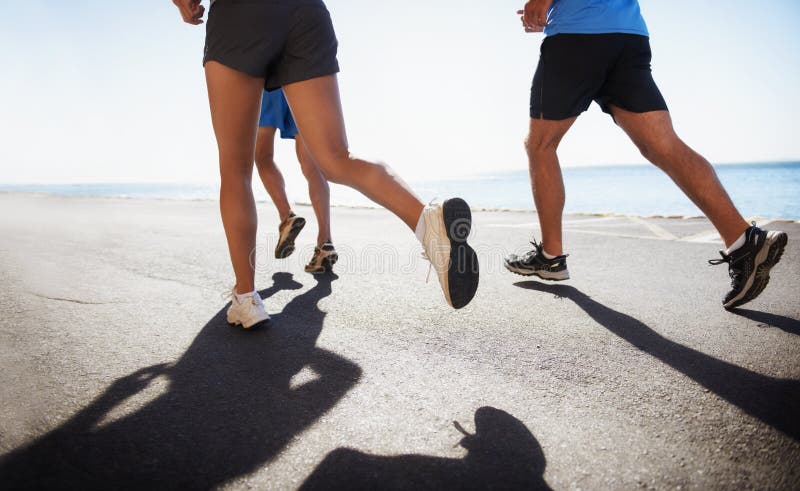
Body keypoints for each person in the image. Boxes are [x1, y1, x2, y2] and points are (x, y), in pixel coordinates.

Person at [172, 0, 479, 328]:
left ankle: (246, 298)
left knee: (235, 169)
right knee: (336, 158)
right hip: (305, 13)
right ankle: (427, 223)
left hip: (241, 15)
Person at [504, 0, 787, 310]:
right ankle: (744, 241)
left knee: (540, 145)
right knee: (663, 145)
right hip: (629, 36)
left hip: (578, 35)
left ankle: (551, 257)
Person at [254, 87, 338, 275]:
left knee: (262, 156)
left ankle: (286, 217)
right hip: (299, 80)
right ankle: (325, 243)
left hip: (268, 83)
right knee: (312, 167)